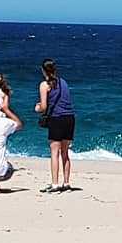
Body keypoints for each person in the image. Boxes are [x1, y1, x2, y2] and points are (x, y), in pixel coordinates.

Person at [36, 59, 77, 193]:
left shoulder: (44, 85)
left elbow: (44, 107)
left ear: (43, 70)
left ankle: (55, 184)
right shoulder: (63, 82)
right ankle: (66, 183)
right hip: (69, 118)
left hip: (57, 118)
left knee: (54, 152)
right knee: (65, 152)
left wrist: (37, 108)